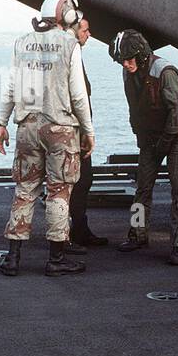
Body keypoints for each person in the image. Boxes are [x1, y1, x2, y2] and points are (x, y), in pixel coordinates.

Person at [0, 0, 95, 277]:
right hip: (60, 129)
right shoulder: (69, 43)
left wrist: (1, 123)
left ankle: (13, 259)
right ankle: (56, 259)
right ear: (68, 14)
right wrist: (88, 131)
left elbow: (11, 87)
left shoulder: (22, 42)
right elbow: (78, 96)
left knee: (24, 190)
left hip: (27, 127)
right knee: (59, 191)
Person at [109, 30, 178, 266]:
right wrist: (141, 137)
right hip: (151, 135)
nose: (125, 65)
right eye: (122, 61)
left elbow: (177, 113)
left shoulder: (164, 72)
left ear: (141, 55)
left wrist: (164, 144)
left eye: (129, 60)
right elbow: (134, 108)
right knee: (142, 188)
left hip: (177, 134)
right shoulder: (129, 71)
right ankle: (137, 235)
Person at [66, 17, 108, 252]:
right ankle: (71, 235)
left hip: (76, 130)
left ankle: (78, 231)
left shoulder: (72, 54)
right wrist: (85, 130)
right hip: (74, 132)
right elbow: (78, 97)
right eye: (85, 30)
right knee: (75, 182)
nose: (89, 34)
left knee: (82, 180)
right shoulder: (71, 55)